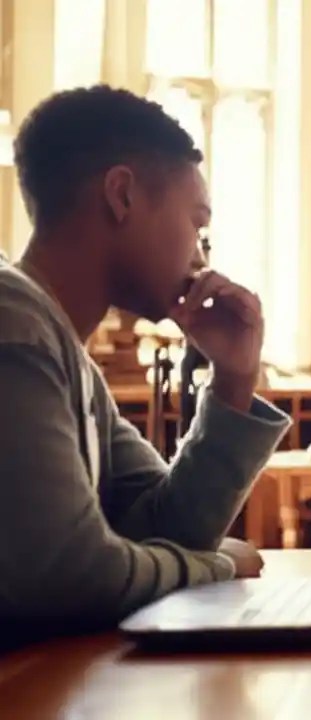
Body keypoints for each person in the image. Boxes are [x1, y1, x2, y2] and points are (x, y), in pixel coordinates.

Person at [0, 86, 289, 639]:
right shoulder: (15, 329)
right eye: (196, 224)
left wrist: (232, 380)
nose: (201, 255)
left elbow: (171, 529)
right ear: (122, 195)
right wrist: (220, 568)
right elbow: (70, 578)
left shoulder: (61, 347)